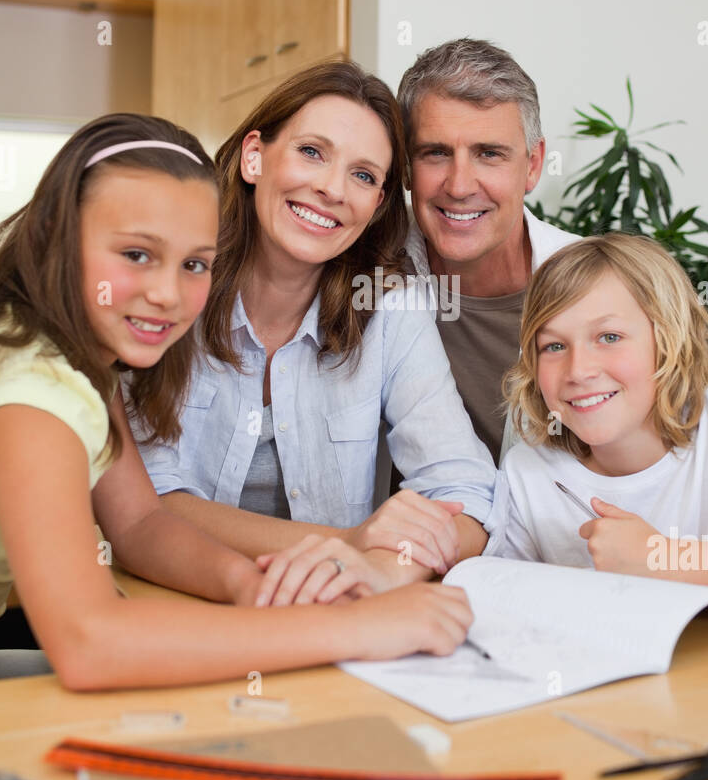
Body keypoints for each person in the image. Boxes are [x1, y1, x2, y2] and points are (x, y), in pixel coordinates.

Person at [0, 113, 472, 685]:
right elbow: (90, 645)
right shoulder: (30, 392)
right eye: (136, 255)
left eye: (193, 264)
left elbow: (138, 522)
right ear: (52, 235)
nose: (165, 295)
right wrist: (365, 626)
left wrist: (249, 586)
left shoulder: (74, 354)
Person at [132, 63, 496, 607]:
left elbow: (467, 494)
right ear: (254, 156)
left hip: (327, 615)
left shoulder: (391, 309)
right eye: (311, 152)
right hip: (170, 608)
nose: (331, 188)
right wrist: (346, 543)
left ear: (376, 208)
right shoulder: (169, 285)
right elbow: (145, 500)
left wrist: (382, 570)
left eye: (364, 175)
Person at [397, 38, 708, 465]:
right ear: (405, 167)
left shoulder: (614, 286)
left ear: (532, 165)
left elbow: (683, 421)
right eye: (435, 153)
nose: (459, 185)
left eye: (489, 154)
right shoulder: (362, 279)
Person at [492, 233, 708, 610]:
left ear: (670, 341)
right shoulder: (527, 474)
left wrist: (668, 560)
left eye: (609, 336)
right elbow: (506, 608)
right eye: (554, 346)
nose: (579, 370)